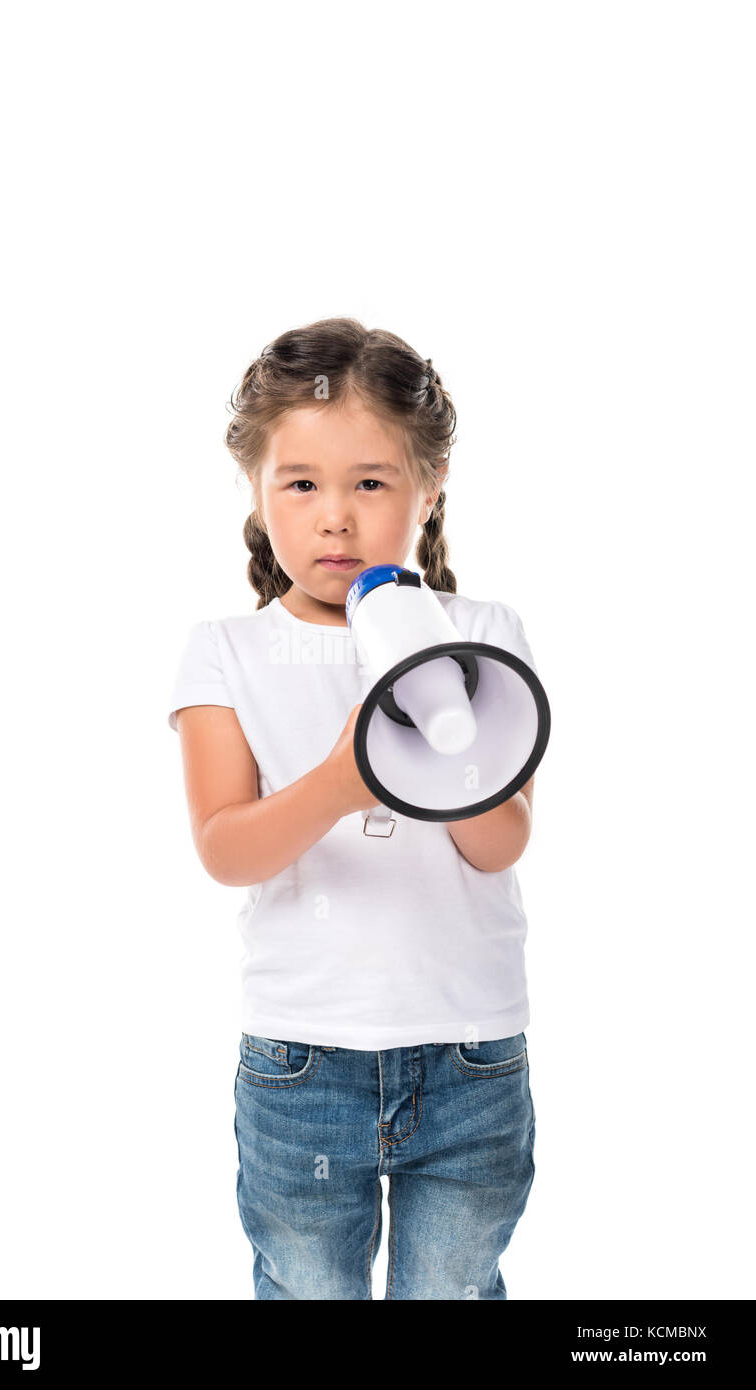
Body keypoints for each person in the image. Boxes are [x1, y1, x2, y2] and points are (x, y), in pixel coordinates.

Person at [167, 316, 538, 1300]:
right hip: (303, 1062)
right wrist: (341, 782)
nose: (335, 518)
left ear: (430, 483)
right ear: (256, 491)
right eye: (301, 485)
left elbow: (500, 843)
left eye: (370, 484)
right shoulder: (227, 652)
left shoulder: (484, 636)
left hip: (469, 1054)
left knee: (453, 1286)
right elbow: (226, 849)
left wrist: (439, 732)